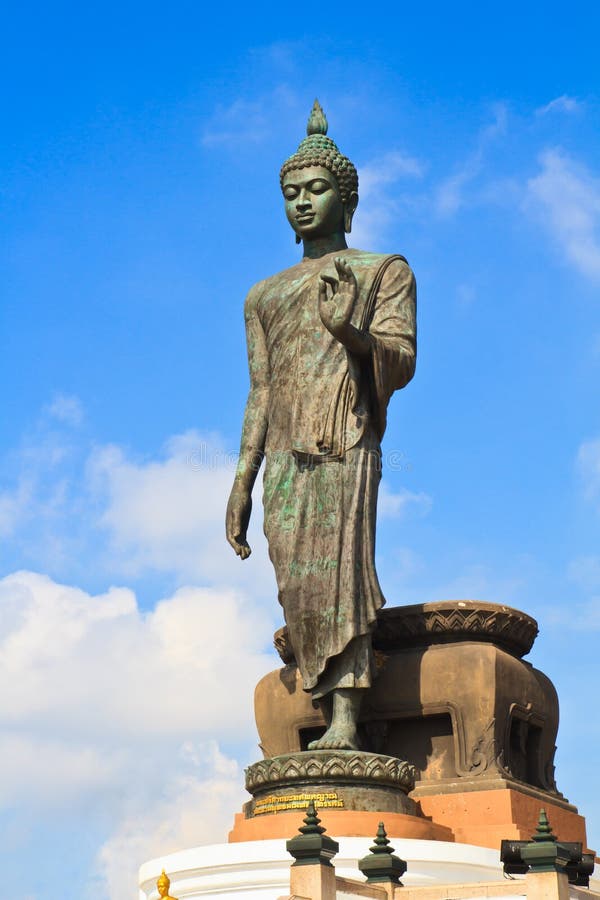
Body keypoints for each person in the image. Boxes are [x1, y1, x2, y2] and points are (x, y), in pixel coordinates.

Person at [226, 101, 416, 751]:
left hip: (343, 440)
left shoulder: (382, 271)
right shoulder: (264, 295)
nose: (302, 203)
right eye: (291, 193)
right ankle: (321, 703)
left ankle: (345, 718)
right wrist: (242, 481)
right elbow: (261, 389)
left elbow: (403, 359)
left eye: (316, 189)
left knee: (342, 575)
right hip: (283, 455)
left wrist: (350, 332)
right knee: (297, 582)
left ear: (346, 196)